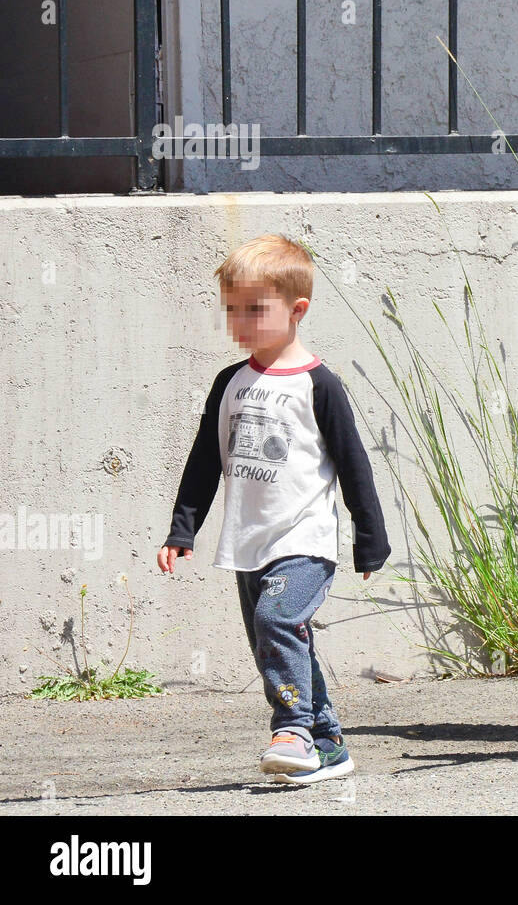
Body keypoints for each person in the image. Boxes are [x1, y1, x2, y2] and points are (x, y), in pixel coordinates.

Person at [158, 233, 391, 783]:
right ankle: (329, 743)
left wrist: (369, 538)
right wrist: (182, 529)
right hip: (250, 543)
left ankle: (291, 730)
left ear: (297, 309)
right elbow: (204, 460)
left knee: (276, 620)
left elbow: (354, 464)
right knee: (279, 640)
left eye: (254, 309)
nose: (239, 322)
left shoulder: (319, 385)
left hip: (304, 540)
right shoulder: (229, 384)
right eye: (232, 310)